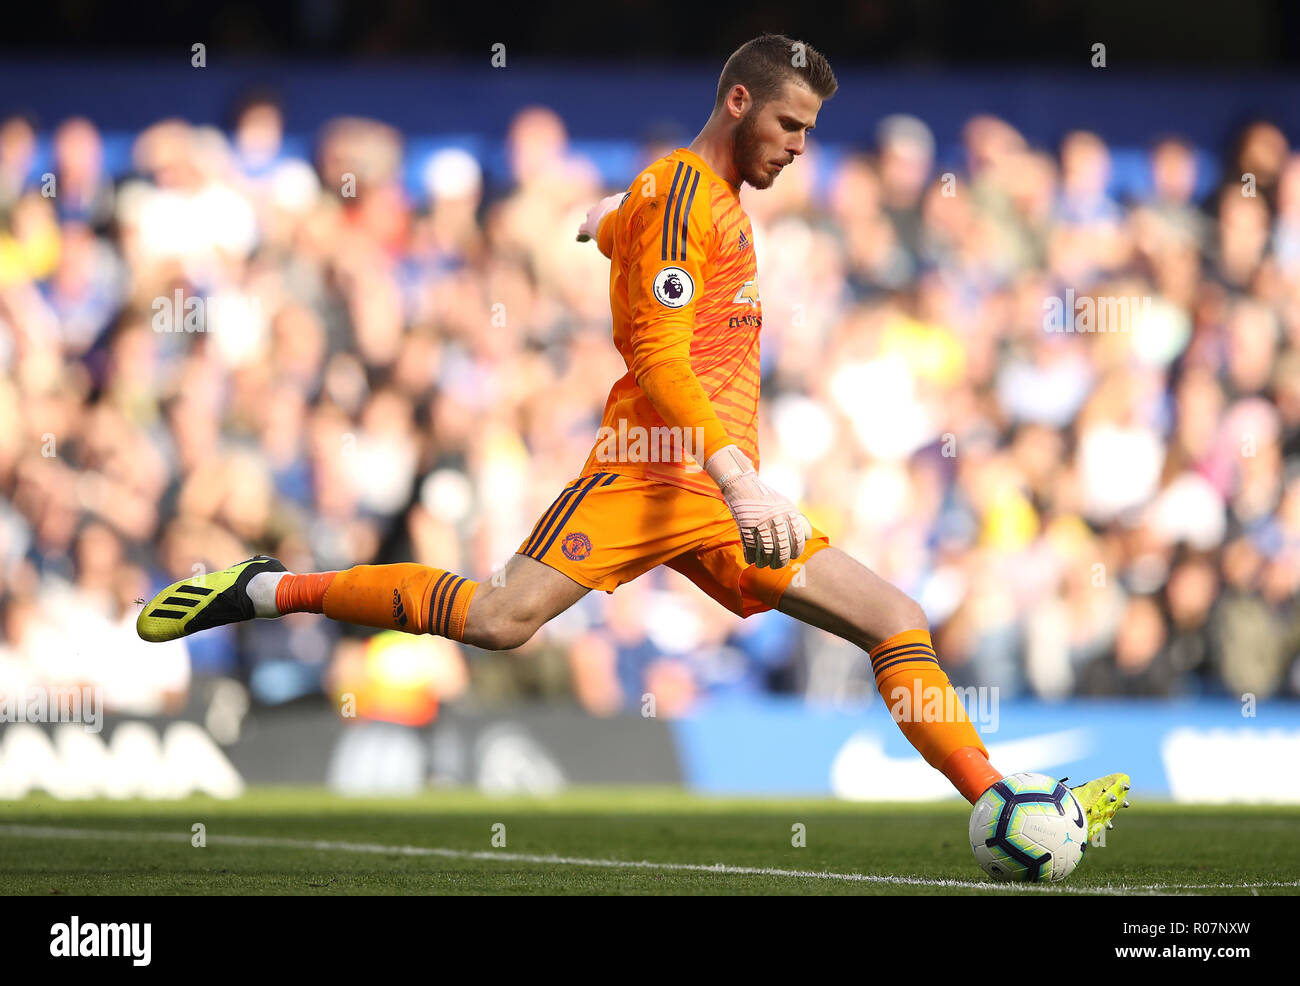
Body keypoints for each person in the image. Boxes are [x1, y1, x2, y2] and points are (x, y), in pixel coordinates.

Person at [137, 32, 1129, 841]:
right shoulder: (687, 194)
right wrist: (738, 473)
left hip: (715, 493)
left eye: (810, 130)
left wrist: (604, 220)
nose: (798, 146)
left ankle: (998, 800)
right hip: (649, 474)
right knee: (498, 619)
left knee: (894, 617)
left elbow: (643, 234)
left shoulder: (685, 197)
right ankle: (269, 589)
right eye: (788, 123)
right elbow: (658, 354)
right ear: (738, 102)